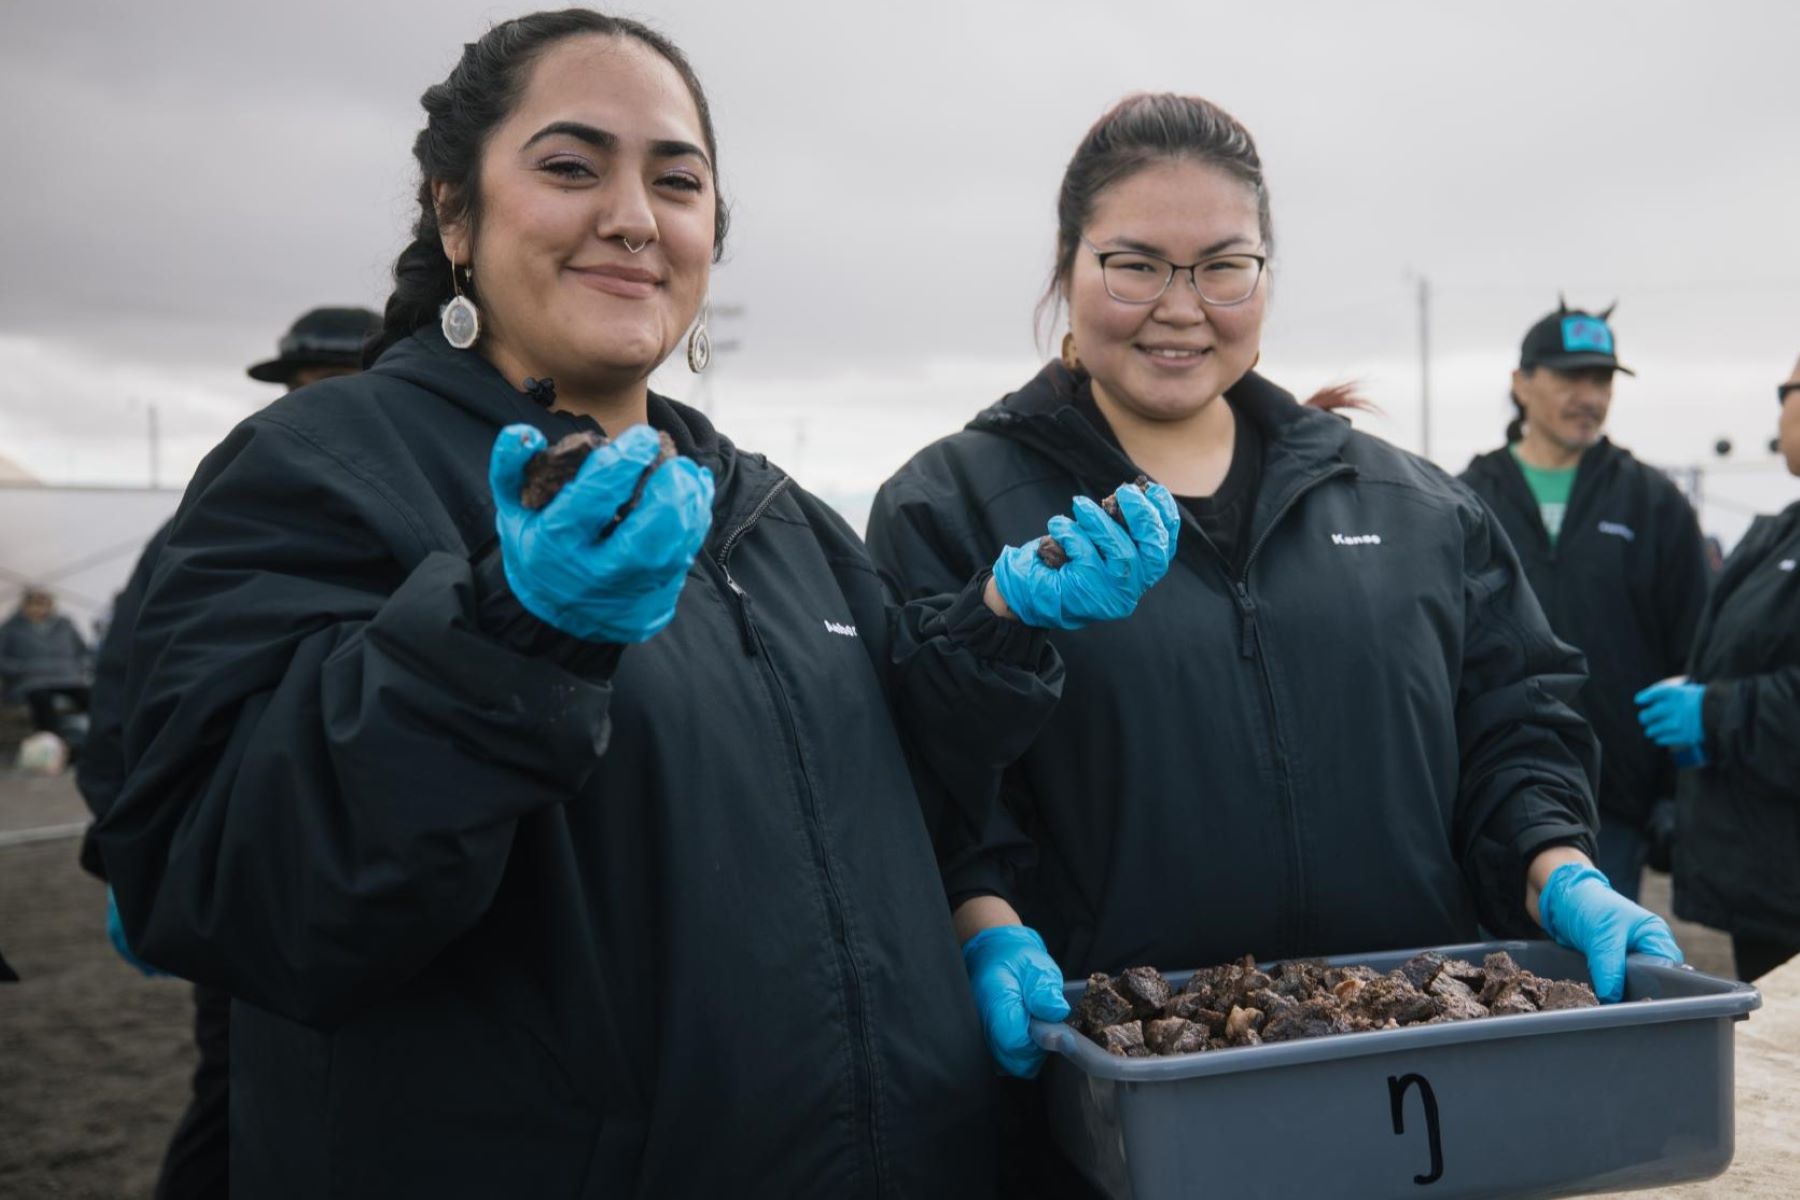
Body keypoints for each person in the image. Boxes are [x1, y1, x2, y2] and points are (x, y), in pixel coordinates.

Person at [92, 12, 1175, 1197]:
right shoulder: (320, 470)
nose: (632, 216)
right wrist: (512, 634)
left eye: (677, 181)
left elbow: (900, 791)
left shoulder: (769, 510)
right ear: (456, 212)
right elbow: (229, 887)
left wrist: (997, 626)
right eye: (570, 167)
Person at [865, 93, 1683, 1196]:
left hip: (1411, 1080)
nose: (1180, 308)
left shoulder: (1409, 504)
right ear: (1067, 268)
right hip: (1128, 1098)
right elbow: (922, 777)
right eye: (1135, 264)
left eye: (1222, 267)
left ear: (1266, 277)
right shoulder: (952, 503)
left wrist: (1560, 866)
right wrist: (985, 925)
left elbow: (1515, 719)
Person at [74, 303, 380, 1200]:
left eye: (345, 384)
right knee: (242, 1104)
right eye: (308, 387)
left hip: (380, 874)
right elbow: (130, 693)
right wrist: (140, 849)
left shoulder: (432, 503)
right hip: (250, 876)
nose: (321, 404)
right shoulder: (219, 517)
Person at [1461, 303, 1710, 902]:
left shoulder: (1653, 502)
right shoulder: (1466, 498)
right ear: (1521, 383)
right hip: (1493, 794)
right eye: (1569, 377)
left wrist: (1678, 794)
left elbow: (1694, 648)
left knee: (1599, 974)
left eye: (1601, 380)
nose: (1588, 396)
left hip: (1615, 800)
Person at [1638, 356, 1800, 982]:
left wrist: (1713, 711)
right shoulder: (1783, 531)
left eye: (1787, 390)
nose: (1780, 406)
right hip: (1765, 880)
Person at [0, 588, 92, 734]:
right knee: (41, 701)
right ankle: (50, 741)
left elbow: (84, 652)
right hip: (31, 681)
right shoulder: (10, 628)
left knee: (94, 698)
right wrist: (21, 669)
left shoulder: (65, 625)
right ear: (24, 605)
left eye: (43, 603)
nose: (39, 608)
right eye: (34, 604)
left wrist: (79, 667)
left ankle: (96, 740)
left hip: (67, 678)